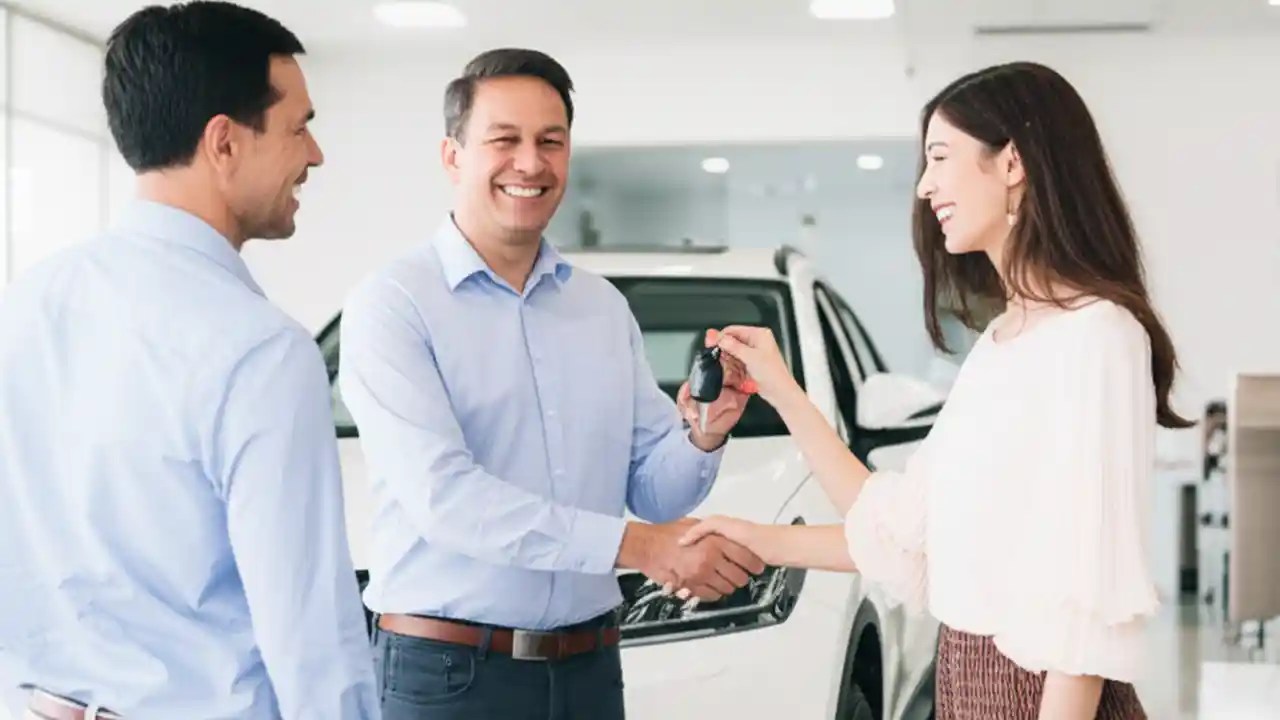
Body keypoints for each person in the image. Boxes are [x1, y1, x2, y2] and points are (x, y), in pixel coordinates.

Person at [680, 61, 1193, 720]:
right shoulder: (1004, 340)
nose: (925, 186)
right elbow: (901, 530)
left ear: (1012, 163)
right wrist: (776, 417)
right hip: (971, 683)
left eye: (940, 157)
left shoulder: (1097, 336)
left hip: (1039, 698)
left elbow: (1085, 612)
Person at [338, 48, 764, 719]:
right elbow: (445, 497)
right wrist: (639, 549)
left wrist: (704, 435)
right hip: (449, 678)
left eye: (550, 142)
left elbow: (654, 489)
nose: (530, 163)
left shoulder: (600, 307)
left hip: (589, 670)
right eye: (504, 140)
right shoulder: (393, 303)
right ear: (452, 156)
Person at [0, 3, 378, 718]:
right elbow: (311, 640)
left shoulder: (27, 304)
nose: (316, 154)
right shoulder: (261, 351)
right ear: (224, 143)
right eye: (299, 127)